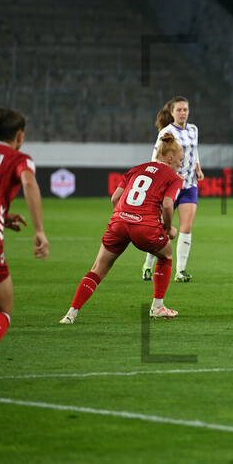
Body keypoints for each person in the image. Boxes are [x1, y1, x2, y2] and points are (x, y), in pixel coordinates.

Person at [59, 134, 184, 324]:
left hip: (119, 222)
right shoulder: (173, 177)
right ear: (170, 158)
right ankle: (157, 307)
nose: (181, 164)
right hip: (146, 228)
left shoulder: (137, 169)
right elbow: (168, 205)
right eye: (180, 160)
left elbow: (115, 199)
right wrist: (169, 228)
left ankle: (71, 313)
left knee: (98, 269)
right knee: (166, 255)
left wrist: (126, 217)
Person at [0, 107, 49, 396]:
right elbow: (28, 182)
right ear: (20, 136)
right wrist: (38, 230)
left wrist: (3, 214)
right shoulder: (18, 158)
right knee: (1, 310)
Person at [141, 96, 204, 283]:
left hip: (189, 185)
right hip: (169, 186)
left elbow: (195, 151)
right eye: (179, 110)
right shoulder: (167, 132)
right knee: (160, 227)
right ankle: (148, 265)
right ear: (172, 112)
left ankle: (180, 271)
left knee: (187, 226)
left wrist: (198, 168)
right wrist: (165, 179)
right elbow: (156, 158)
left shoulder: (193, 129)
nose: (183, 113)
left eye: (185, 109)